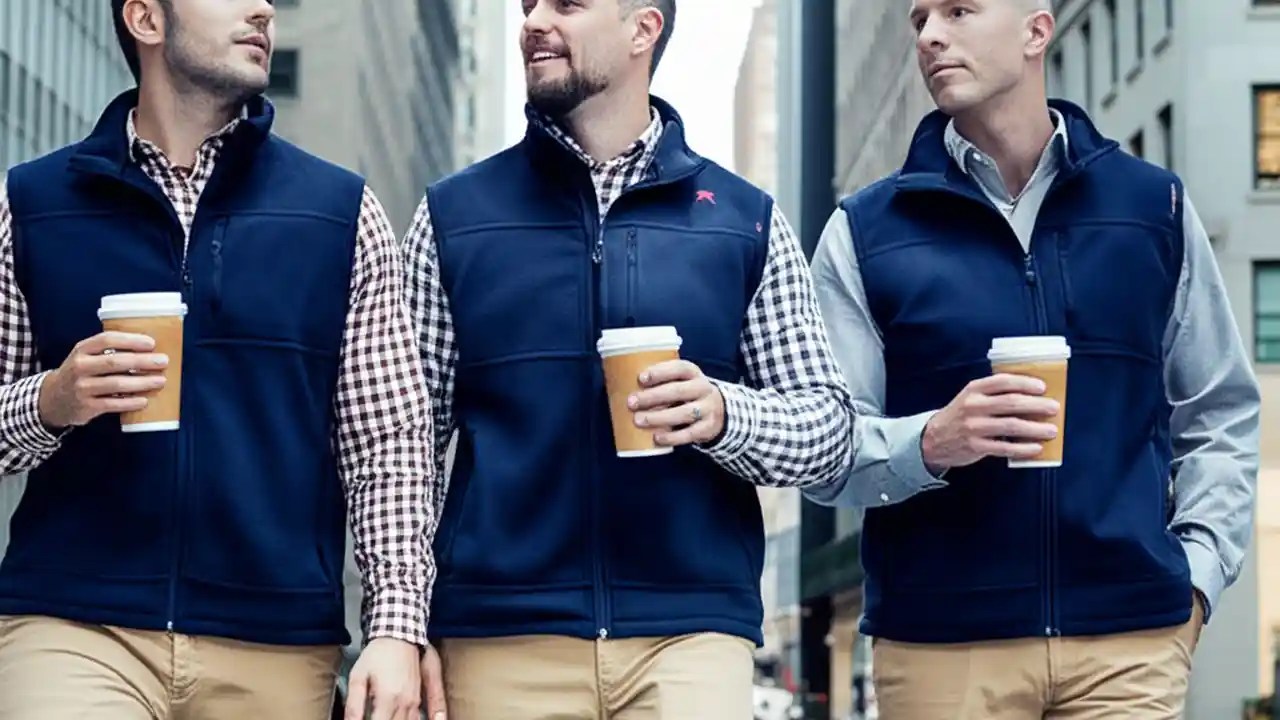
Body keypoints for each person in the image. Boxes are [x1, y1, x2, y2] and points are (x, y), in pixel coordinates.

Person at [805, 0, 1260, 718]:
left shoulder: (1153, 209)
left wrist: (1197, 577)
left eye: (958, 10)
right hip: (942, 649)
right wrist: (930, 441)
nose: (930, 36)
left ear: (1036, 31)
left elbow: (1220, 411)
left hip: (1128, 646)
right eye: (919, 20)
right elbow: (822, 451)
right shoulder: (863, 231)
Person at [401, 0, 855, 717]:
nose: (534, 21)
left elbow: (829, 432)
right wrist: (402, 625)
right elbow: (402, 443)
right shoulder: (453, 218)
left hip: (690, 637)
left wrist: (723, 413)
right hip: (501, 635)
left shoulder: (745, 221)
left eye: (567, 5)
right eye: (528, 5)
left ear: (643, 28)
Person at [0, 1, 435, 718]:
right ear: (146, 18)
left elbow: (387, 443)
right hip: (74, 622)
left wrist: (394, 626)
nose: (262, 8)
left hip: (273, 638)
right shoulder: (33, 204)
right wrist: (51, 401)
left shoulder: (340, 214)